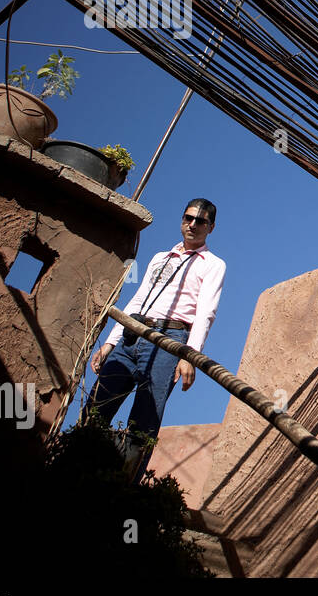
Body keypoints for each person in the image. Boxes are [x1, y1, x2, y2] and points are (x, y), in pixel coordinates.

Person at [85, 198, 225, 481]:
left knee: (145, 417)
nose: (192, 225)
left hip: (169, 339)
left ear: (210, 227)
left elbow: (205, 312)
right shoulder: (161, 258)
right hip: (132, 333)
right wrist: (111, 342)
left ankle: (124, 487)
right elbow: (138, 299)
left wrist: (189, 355)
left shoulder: (213, 264)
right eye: (188, 218)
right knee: (98, 404)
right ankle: (77, 466)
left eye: (200, 221)